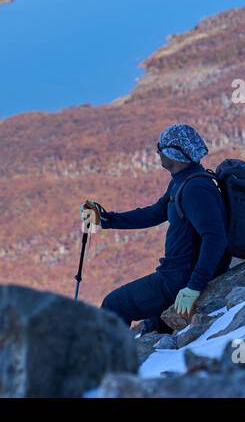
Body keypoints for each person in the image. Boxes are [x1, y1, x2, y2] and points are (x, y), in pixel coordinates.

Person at [81, 123, 230, 333]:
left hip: (177, 278)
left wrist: (194, 287)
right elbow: (154, 213)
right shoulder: (182, 181)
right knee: (153, 327)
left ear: (174, 153)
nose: (158, 152)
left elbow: (215, 238)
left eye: (160, 148)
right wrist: (105, 220)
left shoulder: (195, 188)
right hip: (176, 275)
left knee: (114, 305)